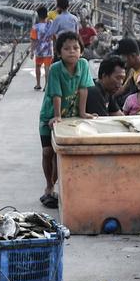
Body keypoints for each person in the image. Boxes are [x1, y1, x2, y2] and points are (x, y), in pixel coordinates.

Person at [38, 31, 96, 209]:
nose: (72, 51)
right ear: (59, 52)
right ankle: (49, 184)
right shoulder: (55, 68)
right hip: (49, 114)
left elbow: (84, 89)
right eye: (67, 48)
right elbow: (56, 93)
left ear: (81, 51)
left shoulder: (83, 65)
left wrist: (83, 113)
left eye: (75, 48)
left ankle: (56, 184)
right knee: (47, 152)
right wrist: (57, 116)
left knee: (59, 153)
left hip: (71, 115)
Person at [29, 5, 55, 90]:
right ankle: (46, 86)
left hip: (39, 50)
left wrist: (32, 52)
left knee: (38, 66)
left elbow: (33, 40)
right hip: (48, 50)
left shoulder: (35, 27)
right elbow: (53, 36)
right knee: (47, 67)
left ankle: (38, 84)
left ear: (38, 16)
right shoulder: (50, 25)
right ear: (46, 15)